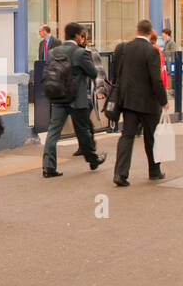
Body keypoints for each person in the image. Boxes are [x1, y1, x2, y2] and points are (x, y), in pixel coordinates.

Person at [41, 23, 107, 177]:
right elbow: (92, 72)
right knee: (83, 131)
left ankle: (48, 167)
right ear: (77, 35)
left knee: (53, 132)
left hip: (57, 97)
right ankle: (93, 160)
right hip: (77, 99)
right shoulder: (79, 53)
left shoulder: (52, 53)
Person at [109, 19, 167, 187]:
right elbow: (156, 80)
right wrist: (163, 101)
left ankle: (120, 173)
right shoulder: (152, 51)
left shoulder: (124, 48)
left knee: (127, 136)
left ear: (137, 30)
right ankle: (154, 171)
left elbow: (118, 74)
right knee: (151, 138)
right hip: (149, 102)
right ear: (150, 33)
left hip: (128, 101)